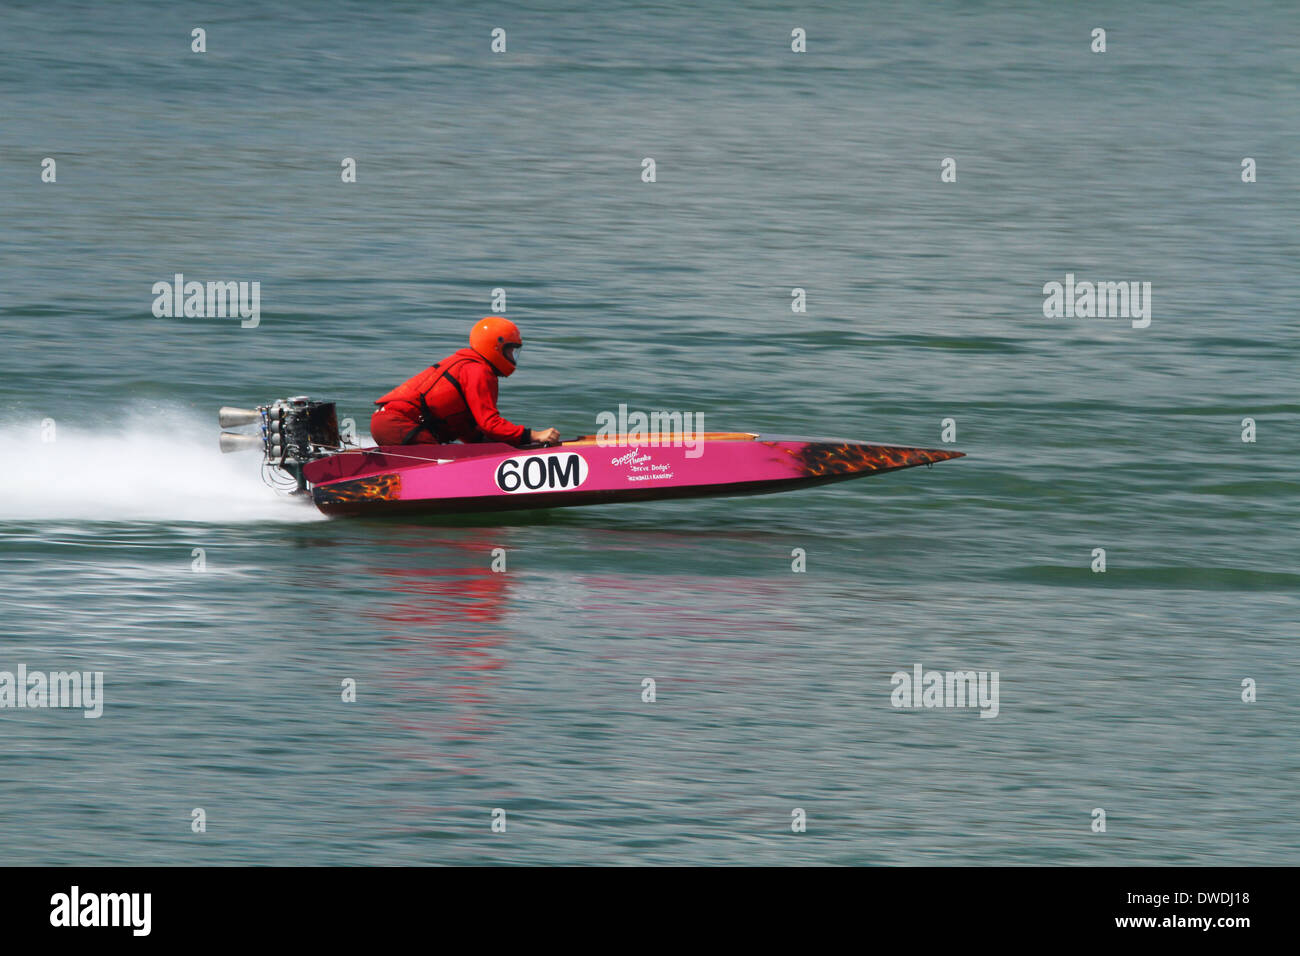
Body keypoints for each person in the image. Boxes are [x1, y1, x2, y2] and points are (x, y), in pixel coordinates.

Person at [370, 316, 560, 447]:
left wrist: (507, 447)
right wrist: (533, 435)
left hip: (387, 422)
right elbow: (490, 424)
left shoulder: (467, 366)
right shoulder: (478, 370)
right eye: (510, 351)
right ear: (495, 348)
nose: (513, 357)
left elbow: (468, 431)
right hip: (398, 424)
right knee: (439, 466)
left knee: (448, 457)